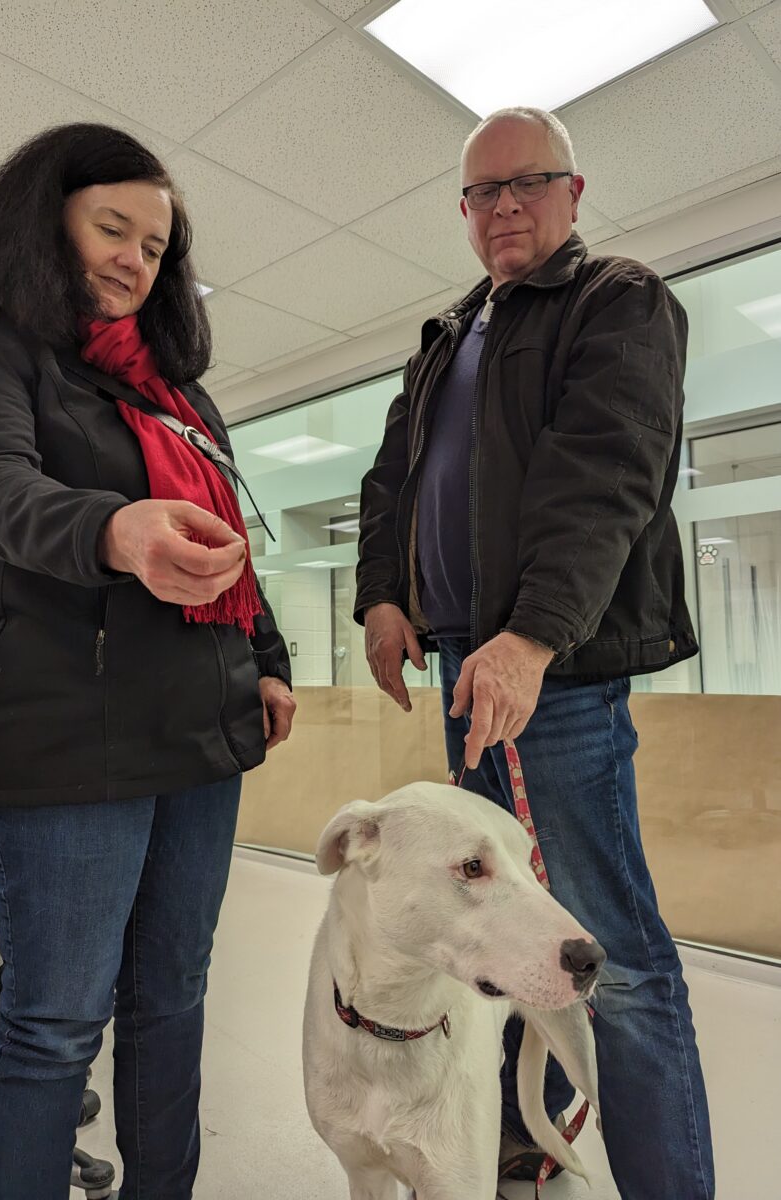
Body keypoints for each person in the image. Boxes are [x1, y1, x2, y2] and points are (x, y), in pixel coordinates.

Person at [0, 122, 296, 1200]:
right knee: (56, 1021)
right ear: (46, 223)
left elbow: (235, 548)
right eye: (111, 227)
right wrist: (117, 531)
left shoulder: (184, 397)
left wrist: (265, 658)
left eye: (155, 243)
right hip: (67, 739)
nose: (135, 257)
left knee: (173, 994)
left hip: (200, 730)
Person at [355, 107, 714, 1199]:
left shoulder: (615, 300)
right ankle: (524, 1131)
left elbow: (605, 471)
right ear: (463, 212)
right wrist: (381, 597)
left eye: (529, 183)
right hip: (467, 670)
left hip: (543, 677)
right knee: (497, 939)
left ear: (573, 192)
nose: (504, 205)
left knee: (616, 964)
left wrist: (533, 636)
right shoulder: (446, 338)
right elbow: (388, 486)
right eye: (482, 192)